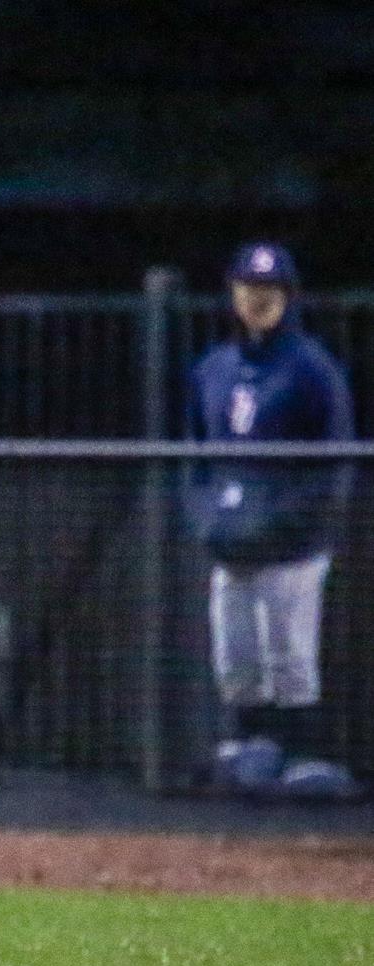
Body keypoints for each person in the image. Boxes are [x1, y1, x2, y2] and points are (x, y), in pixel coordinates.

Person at [182, 241, 354, 784]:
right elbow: (194, 455)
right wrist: (206, 519)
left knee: (289, 654)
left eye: (270, 290)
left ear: (288, 296)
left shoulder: (312, 369)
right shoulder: (214, 368)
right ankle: (248, 751)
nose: (258, 299)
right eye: (249, 288)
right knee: (236, 654)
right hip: (231, 542)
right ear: (233, 293)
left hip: (291, 547)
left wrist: (299, 524)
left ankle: (299, 757)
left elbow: (335, 462)